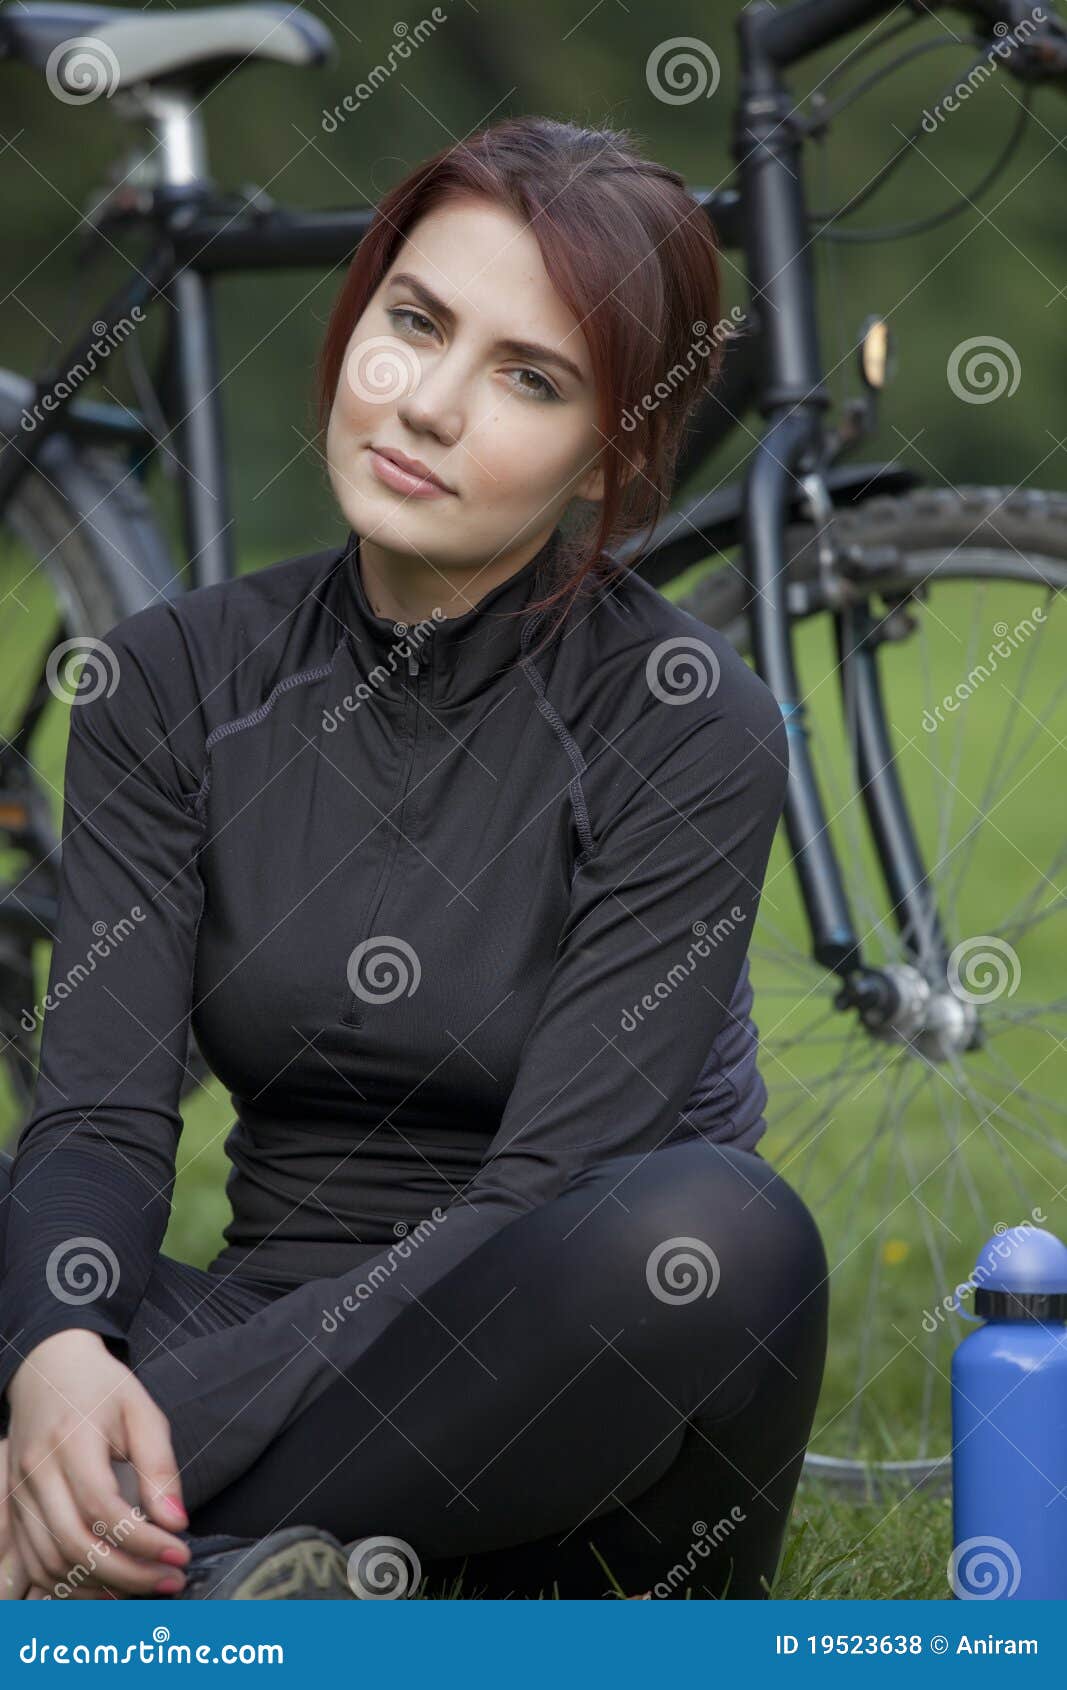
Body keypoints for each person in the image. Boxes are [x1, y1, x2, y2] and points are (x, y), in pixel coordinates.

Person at [0, 115, 828, 1601]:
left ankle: (106, 1546)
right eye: (415, 320)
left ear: (615, 449)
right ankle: (248, 1572)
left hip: (560, 1381)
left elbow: (545, 1189)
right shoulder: (166, 681)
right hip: (263, 1319)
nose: (428, 403)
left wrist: (134, 1442)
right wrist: (59, 1360)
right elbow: (101, 1124)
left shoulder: (691, 722)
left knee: (718, 1232)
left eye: (529, 377)